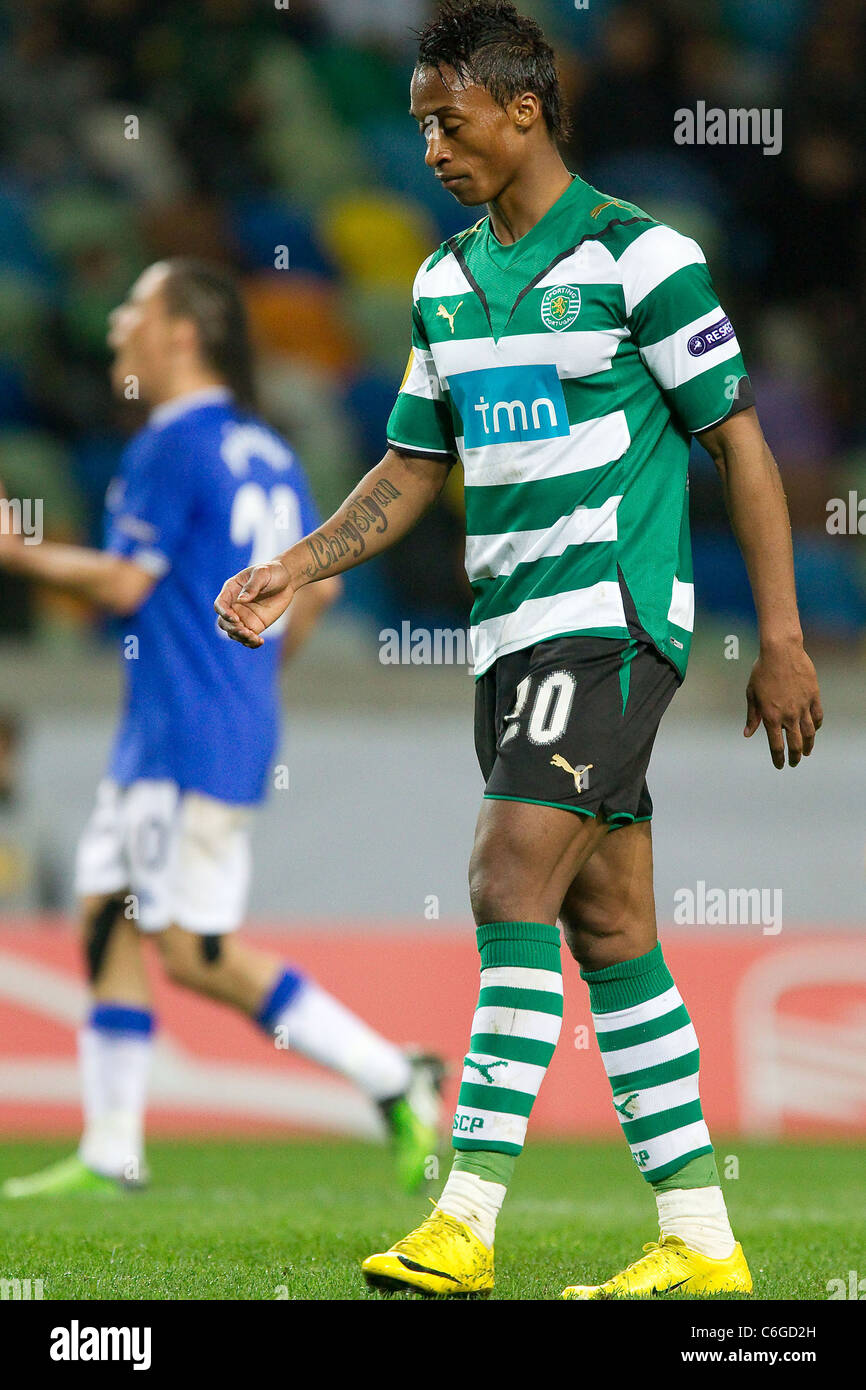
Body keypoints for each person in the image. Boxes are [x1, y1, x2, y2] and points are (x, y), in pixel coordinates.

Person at [214, 1, 823, 1300]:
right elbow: (408, 465)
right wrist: (297, 564)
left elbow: (742, 443)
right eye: (420, 122)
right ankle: (702, 1245)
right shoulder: (442, 281)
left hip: (607, 621)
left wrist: (776, 633)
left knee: (505, 877)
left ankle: (465, 1217)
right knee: (609, 928)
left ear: (525, 110)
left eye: (450, 119)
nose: (429, 145)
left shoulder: (637, 256)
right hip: (507, 639)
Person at [0, 258, 442, 1200]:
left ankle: (392, 1074)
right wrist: (249, 683)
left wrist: (15, 554)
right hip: (194, 724)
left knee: (193, 953)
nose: (117, 323)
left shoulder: (171, 443)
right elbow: (318, 588)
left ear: (181, 333)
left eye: (134, 306)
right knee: (107, 911)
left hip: (184, 736)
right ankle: (112, 1144)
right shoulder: (268, 449)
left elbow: (127, 584)